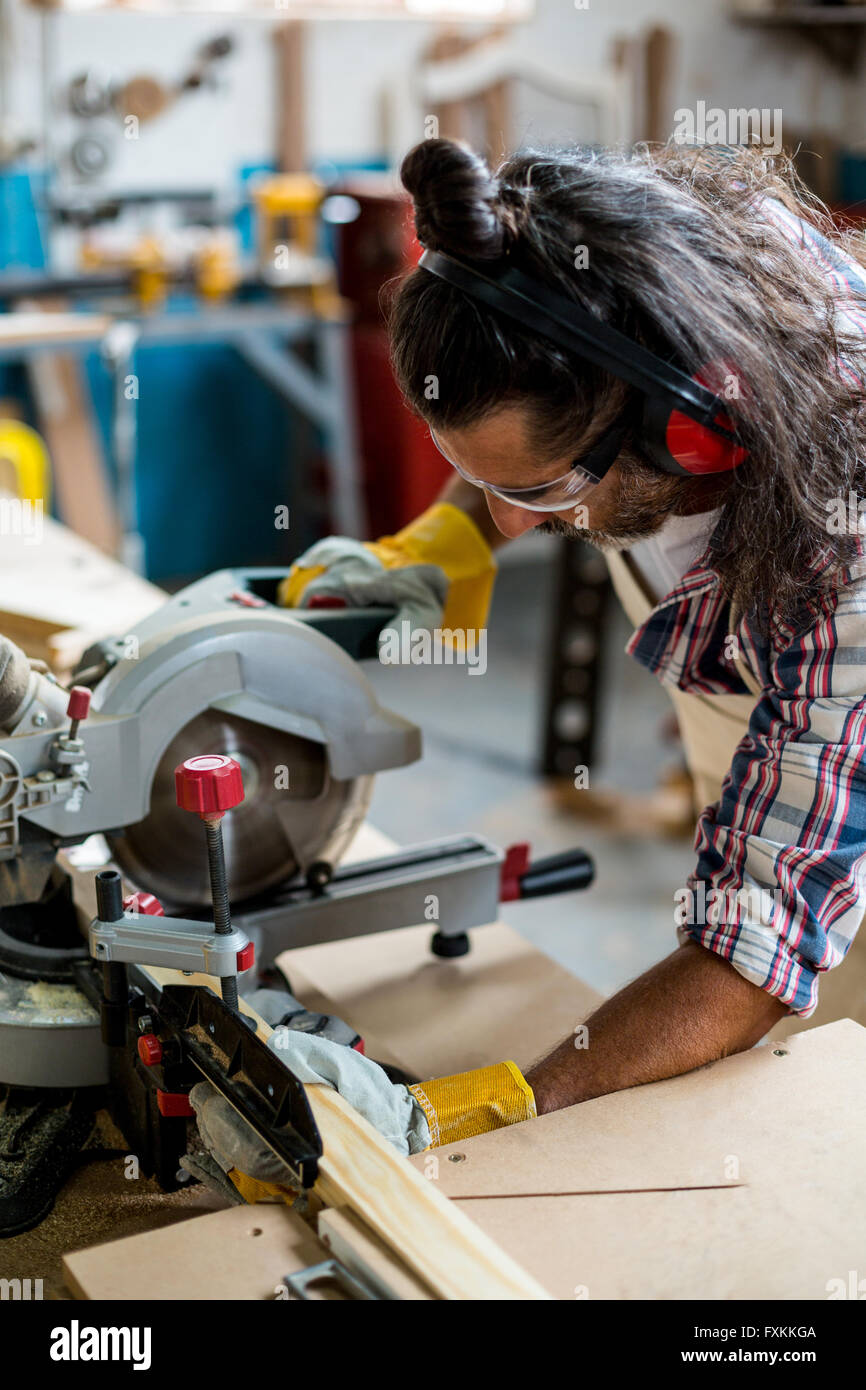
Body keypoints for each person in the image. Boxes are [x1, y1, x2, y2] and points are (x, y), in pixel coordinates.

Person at [197, 137, 866, 1185]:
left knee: (816, 1083)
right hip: (746, 656)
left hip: (839, 688)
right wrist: (449, 532)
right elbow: (522, 435)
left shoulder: (846, 552)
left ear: (695, 433)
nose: (515, 520)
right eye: (482, 479)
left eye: (544, 493)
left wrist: (507, 1104)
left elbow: (754, 946)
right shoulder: (607, 265)